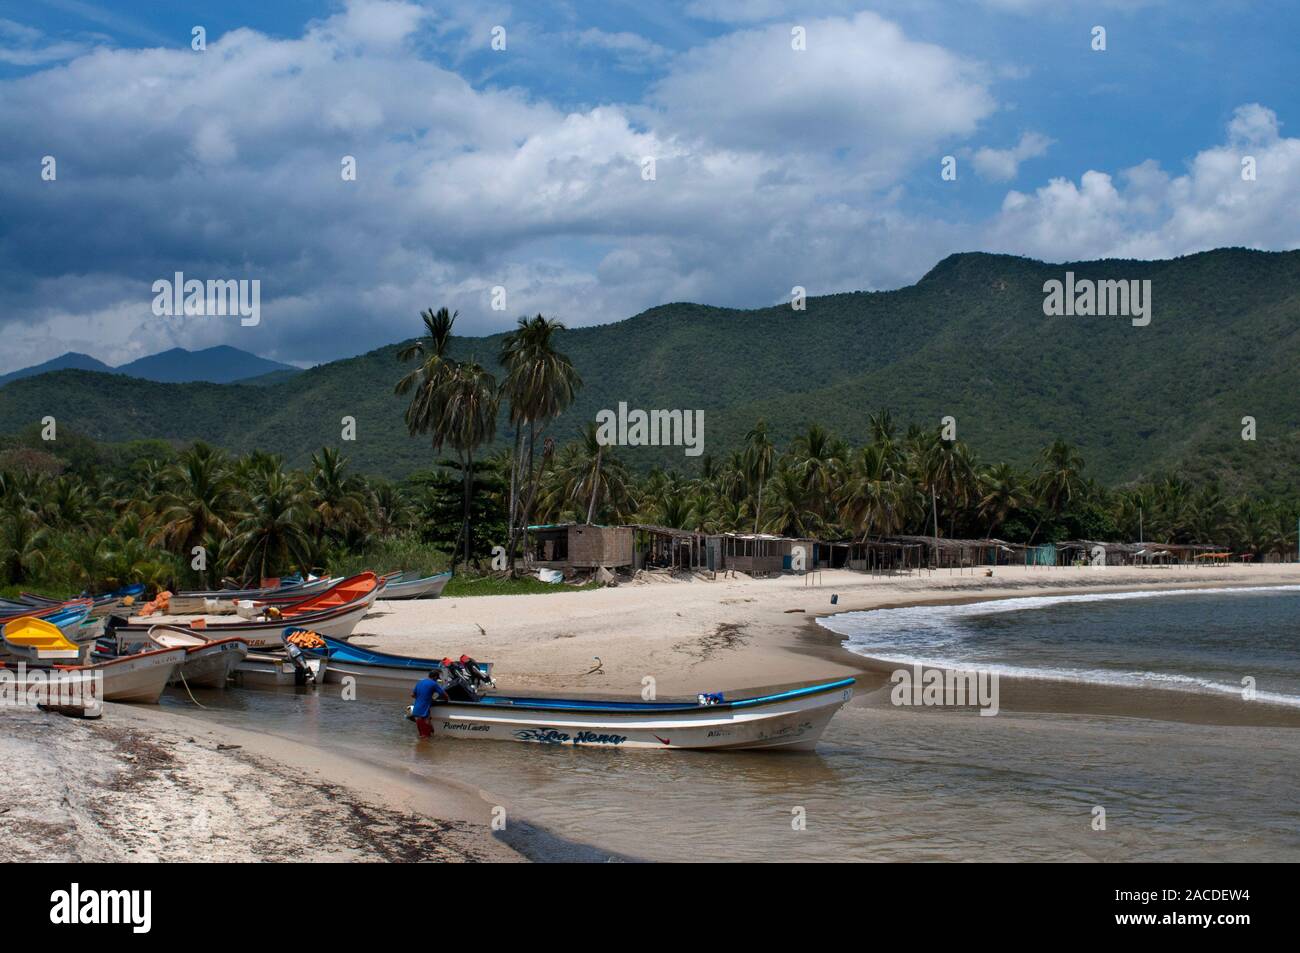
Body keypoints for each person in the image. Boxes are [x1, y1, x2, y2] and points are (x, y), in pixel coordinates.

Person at [410, 670, 449, 739]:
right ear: (435, 677)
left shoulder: (420, 682)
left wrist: (423, 698)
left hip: (416, 712)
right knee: (426, 737)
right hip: (423, 715)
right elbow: (443, 694)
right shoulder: (433, 683)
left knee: (425, 735)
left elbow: (412, 695)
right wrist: (447, 700)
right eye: (437, 679)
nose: (437, 680)